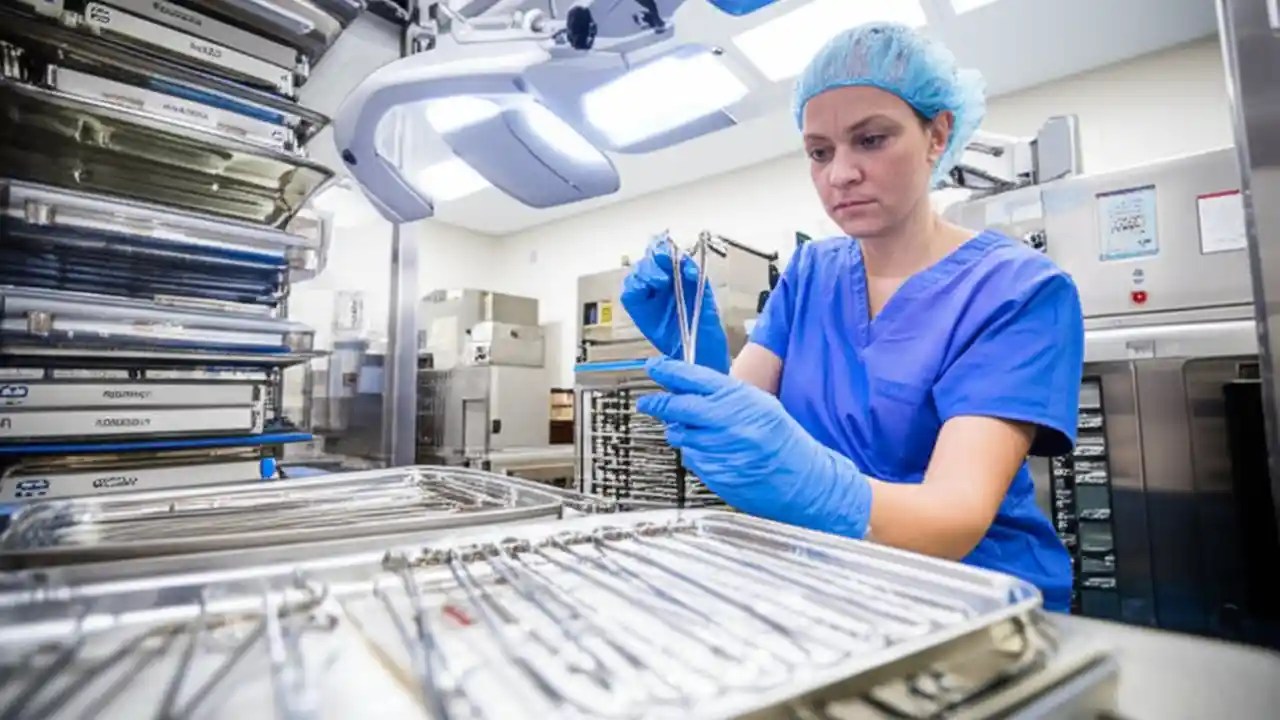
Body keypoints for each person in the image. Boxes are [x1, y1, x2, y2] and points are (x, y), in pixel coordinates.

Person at [620, 22, 1083, 611]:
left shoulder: (1018, 291)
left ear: (937, 135)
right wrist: (698, 355)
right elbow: (739, 443)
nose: (839, 174)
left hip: (972, 602)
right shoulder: (810, 272)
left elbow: (954, 519)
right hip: (827, 594)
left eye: (871, 139)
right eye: (820, 152)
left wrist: (825, 489)